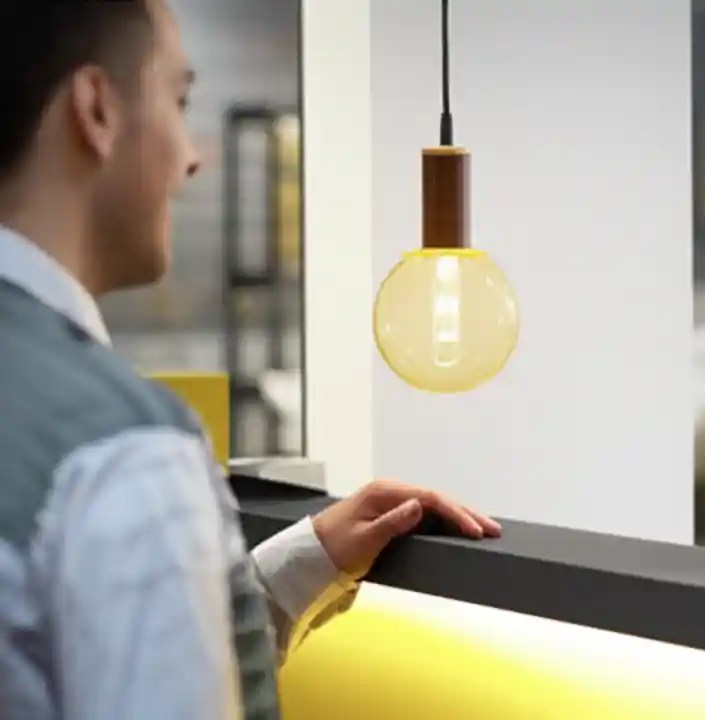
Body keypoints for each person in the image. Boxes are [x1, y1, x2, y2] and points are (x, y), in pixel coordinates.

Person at [0, 2, 500, 718]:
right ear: (97, 109)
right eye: (177, 100)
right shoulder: (121, 448)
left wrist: (298, 563)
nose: (193, 155)